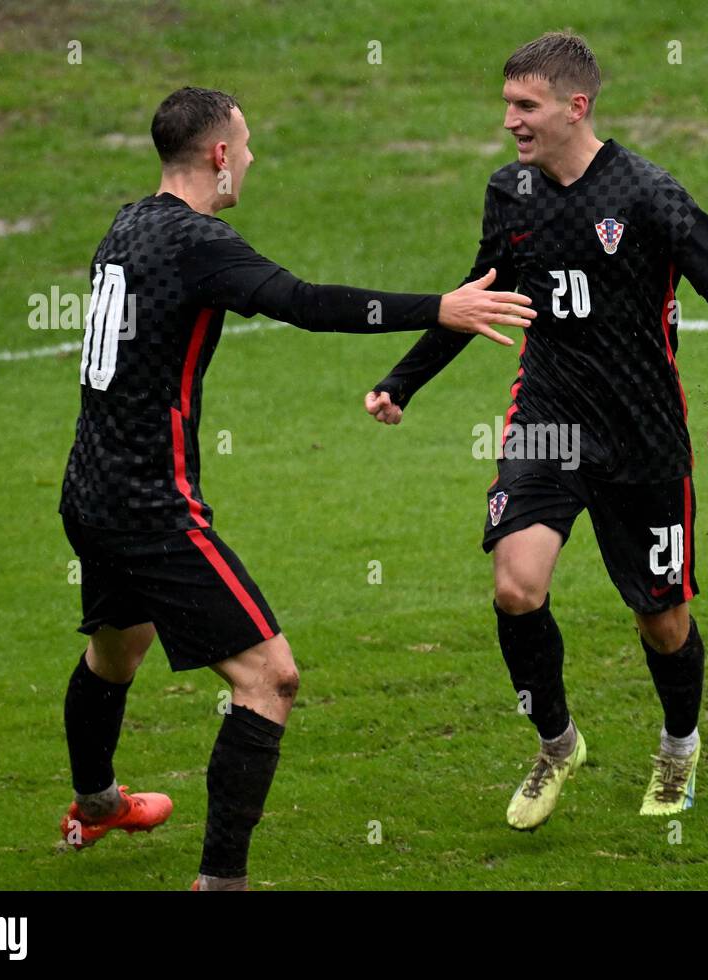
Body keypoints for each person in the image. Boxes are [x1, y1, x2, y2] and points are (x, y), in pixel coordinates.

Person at [58, 86, 534, 888]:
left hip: (88, 492)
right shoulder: (198, 243)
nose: (249, 157)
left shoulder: (128, 223)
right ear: (217, 155)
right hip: (149, 506)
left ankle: (97, 803)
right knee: (269, 679)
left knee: (117, 648)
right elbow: (305, 303)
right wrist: (440, 308)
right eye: (244, 144)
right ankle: (222, 882)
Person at [365, 33, 708, 829]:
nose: (510, 120)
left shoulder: (651, 194)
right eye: (507, 104)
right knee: (516, 586)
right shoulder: (510, 193)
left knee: (662, 617)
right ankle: (556, 743)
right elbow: (479, 297)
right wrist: (401, 381)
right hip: (547, 421)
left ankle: (679, 747)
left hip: (645, 438)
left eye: (526, 106)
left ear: (575, 107)